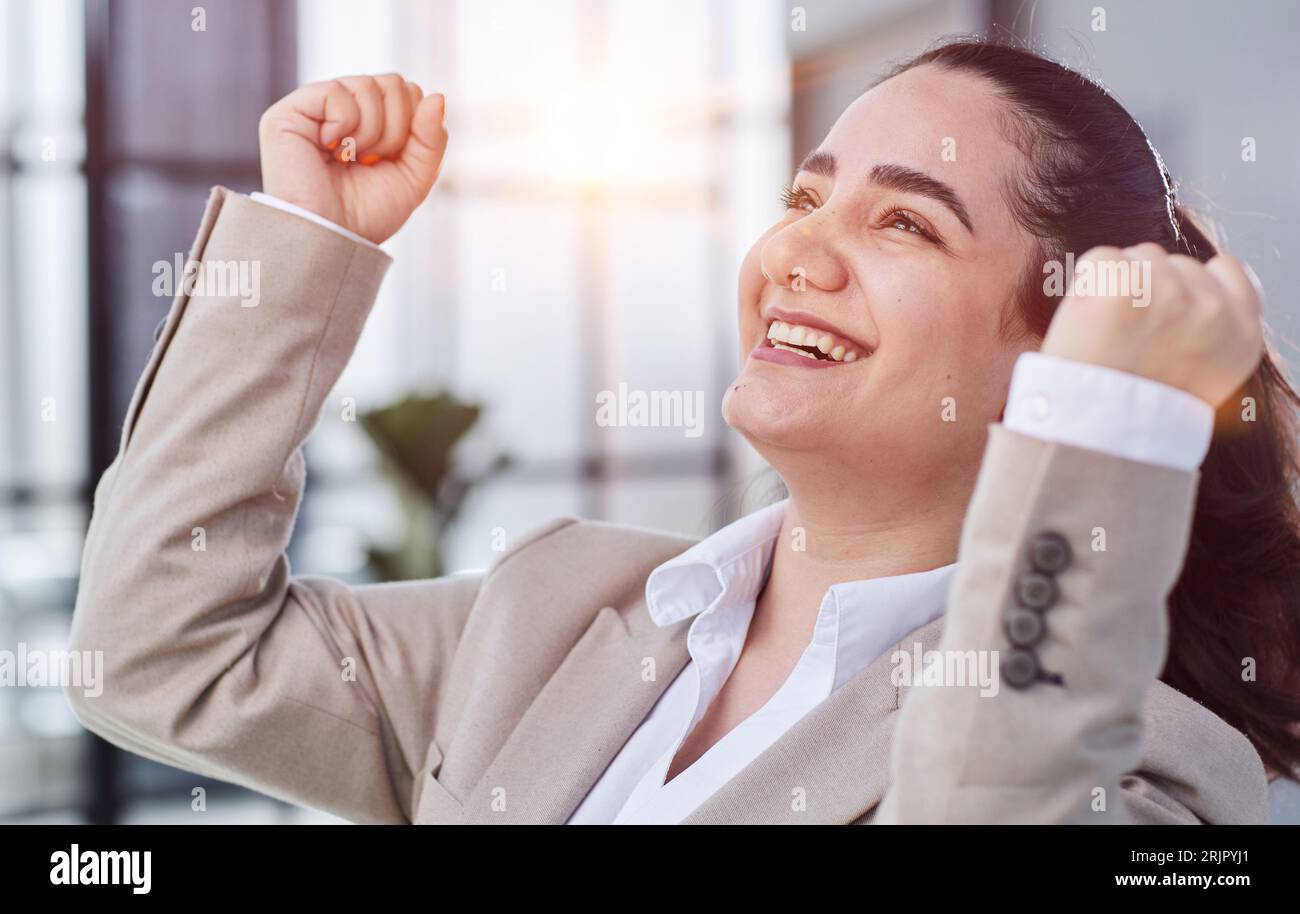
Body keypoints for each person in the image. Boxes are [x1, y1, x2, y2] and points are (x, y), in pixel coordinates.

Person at [66, 38, 1298, 824]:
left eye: (903, 224)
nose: (793, 252)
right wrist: (313, 242)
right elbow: (161, 652)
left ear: (1060, 344)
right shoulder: (552, 610)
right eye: (804, 196)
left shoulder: (1156, 779)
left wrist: (1112, 429)